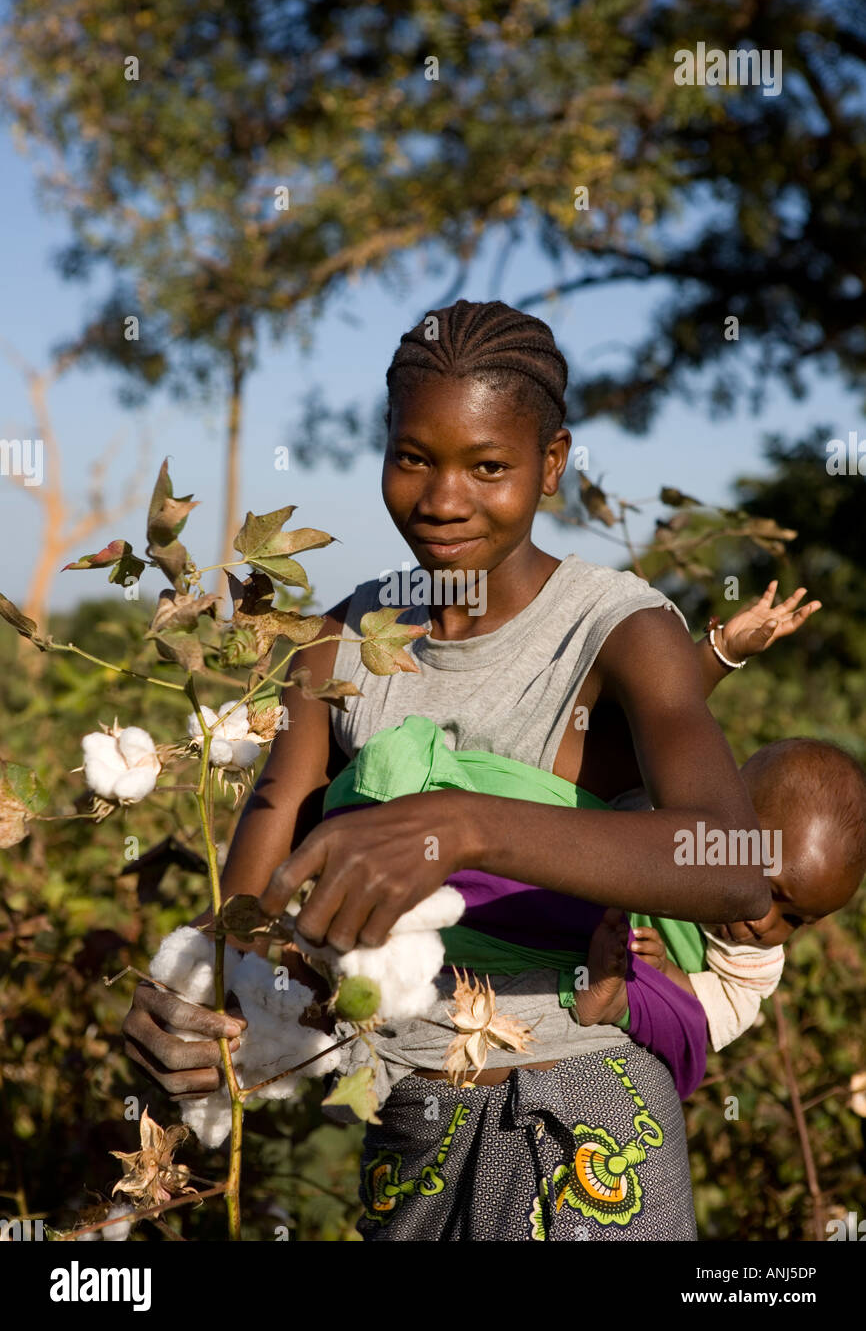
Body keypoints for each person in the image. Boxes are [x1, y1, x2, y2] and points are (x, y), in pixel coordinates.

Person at [123, 298, 772, 1242]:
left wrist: (464, 825)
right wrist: (192, 994)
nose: (443, 498)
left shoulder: (619, 631)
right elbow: (253, 902)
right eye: (413, 457)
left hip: (586, 1124)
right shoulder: (337, 647)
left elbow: (732, 865)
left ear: (552, 465)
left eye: (490, 465)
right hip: (406, 1129)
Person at [577, 736, 866, 1051]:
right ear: (729, 816)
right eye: (766, 888)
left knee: (682, 1024)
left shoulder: (754, 962)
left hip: (633, 1019)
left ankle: (614, 1003)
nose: (764, 923)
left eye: (794, 920)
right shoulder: (682, 827)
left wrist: (666, 974)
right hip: (589, 915)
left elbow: (721, 1015)